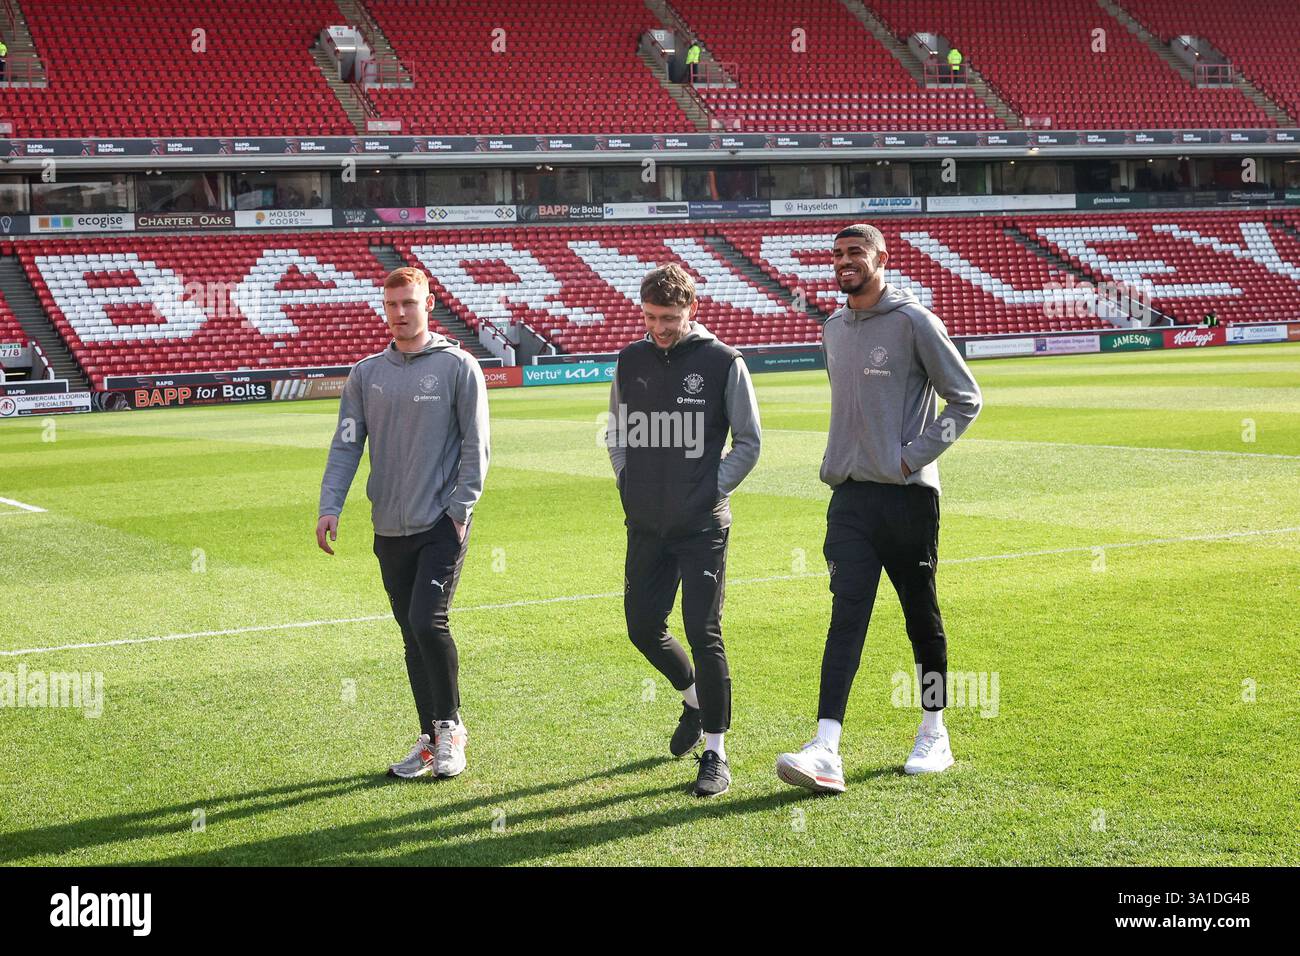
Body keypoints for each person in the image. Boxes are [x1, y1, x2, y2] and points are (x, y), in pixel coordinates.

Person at [776, 224, 982, 793]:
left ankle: (934, 730)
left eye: (855, 253)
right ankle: (825, 747)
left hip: (908, 497)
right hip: (849, 498)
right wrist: (838, 458)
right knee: (846, 615)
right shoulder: (832, 328)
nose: (845, 262)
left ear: (881, 258)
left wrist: (910, 457)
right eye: (837, 255)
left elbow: (966, 399)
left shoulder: (915, 321)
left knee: (921, 614)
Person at [317, 266, 489, 780]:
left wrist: (460, 511)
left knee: (426, 622)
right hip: (388, 526)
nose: (399, 314)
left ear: (428, 304)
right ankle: (430, 738)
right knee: (410, 634)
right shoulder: (367, 374)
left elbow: (477, 447)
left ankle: (452, 728)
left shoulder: (459, 367)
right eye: (391, 305)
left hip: (440, 522)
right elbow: (347, 443)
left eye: (408, 304)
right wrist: (331, 504)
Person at [605, 263, 761, 797]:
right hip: (645, 523)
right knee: (642, 627)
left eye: (669, 317)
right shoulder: (630, 359)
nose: (660, 328)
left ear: (692, 309)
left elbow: (749, 441)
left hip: (701, 527)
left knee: (704, 631)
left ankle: (716, 753)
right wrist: (629, 482)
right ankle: (693, 698)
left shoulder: (722, 362)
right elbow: (618, 433)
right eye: (651, 317)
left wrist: (710, 489)